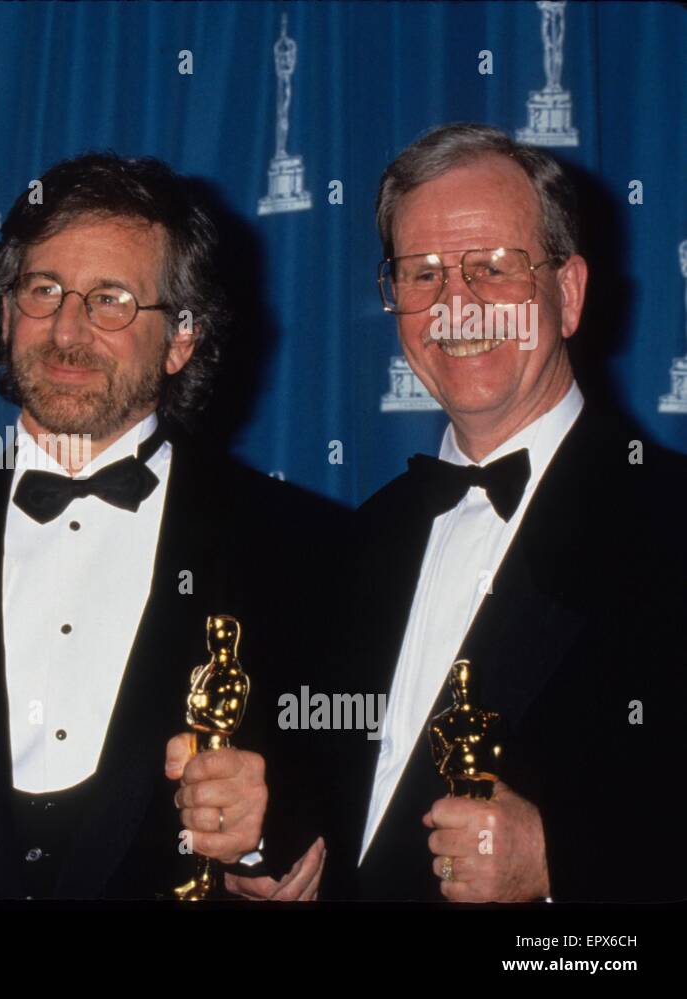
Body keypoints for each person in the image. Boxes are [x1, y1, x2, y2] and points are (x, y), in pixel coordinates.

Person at [0, 152, 345, 899]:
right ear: (7, 311)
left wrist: (260, 844)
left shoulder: (298, 548)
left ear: (181, 338)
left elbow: (340, 815)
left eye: (112, 299)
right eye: (44, 289)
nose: (68, 329)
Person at [335, 122, 687, 902]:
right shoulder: (359, 540)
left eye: (492, 268)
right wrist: (277, 851)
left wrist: (559, 860)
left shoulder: (670, 524)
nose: (456, 305)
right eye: (421, 275)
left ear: (567, 294)